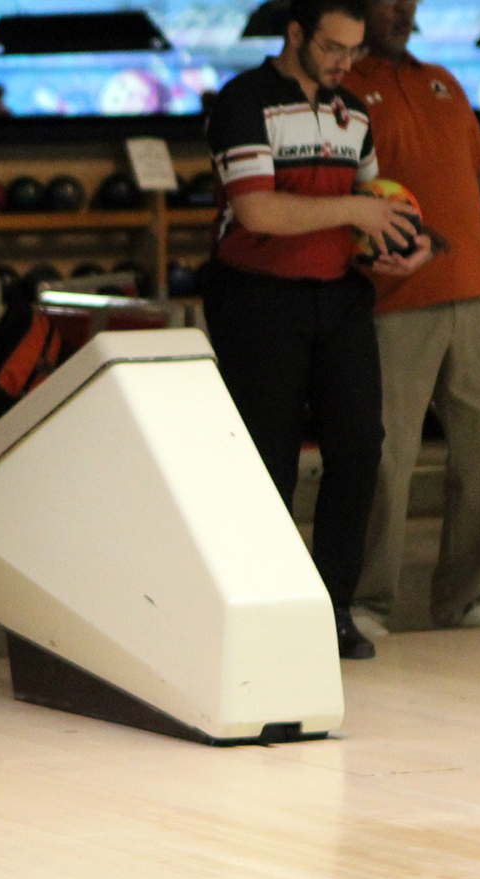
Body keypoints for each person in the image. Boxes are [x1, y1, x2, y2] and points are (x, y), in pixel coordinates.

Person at [201, 0, 431, 661]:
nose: (345, 64)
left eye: (354, 52)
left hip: (341, 297)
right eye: (333, 49)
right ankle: (265, 615)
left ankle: (333, 609)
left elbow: (370, 207)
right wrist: (357, 207)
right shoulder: (243, 101)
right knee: (268, 462)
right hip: (257, 298)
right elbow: (257, 210)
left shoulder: (352, 112)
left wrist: (396, 243)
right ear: (295, 34)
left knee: (360, 447)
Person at [342, 0, 480, 636]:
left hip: (475, 293)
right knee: (387, 459)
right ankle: (367, 602)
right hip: (393, 303)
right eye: (390, 0)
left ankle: (467, 600)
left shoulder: (444, 81)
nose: (404, 8)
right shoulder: (344, 94)